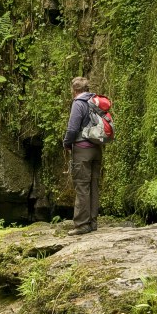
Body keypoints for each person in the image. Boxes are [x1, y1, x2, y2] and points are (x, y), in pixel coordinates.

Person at [62, 76, 103, 236]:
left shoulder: (78, 103)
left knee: (82, 186)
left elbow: (72, 129)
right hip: (97, 149)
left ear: (74, 90)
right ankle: (92, 222)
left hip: (82, 149)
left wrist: (67, 143)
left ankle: (82, 224)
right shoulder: (95, 101)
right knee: (93, 185)